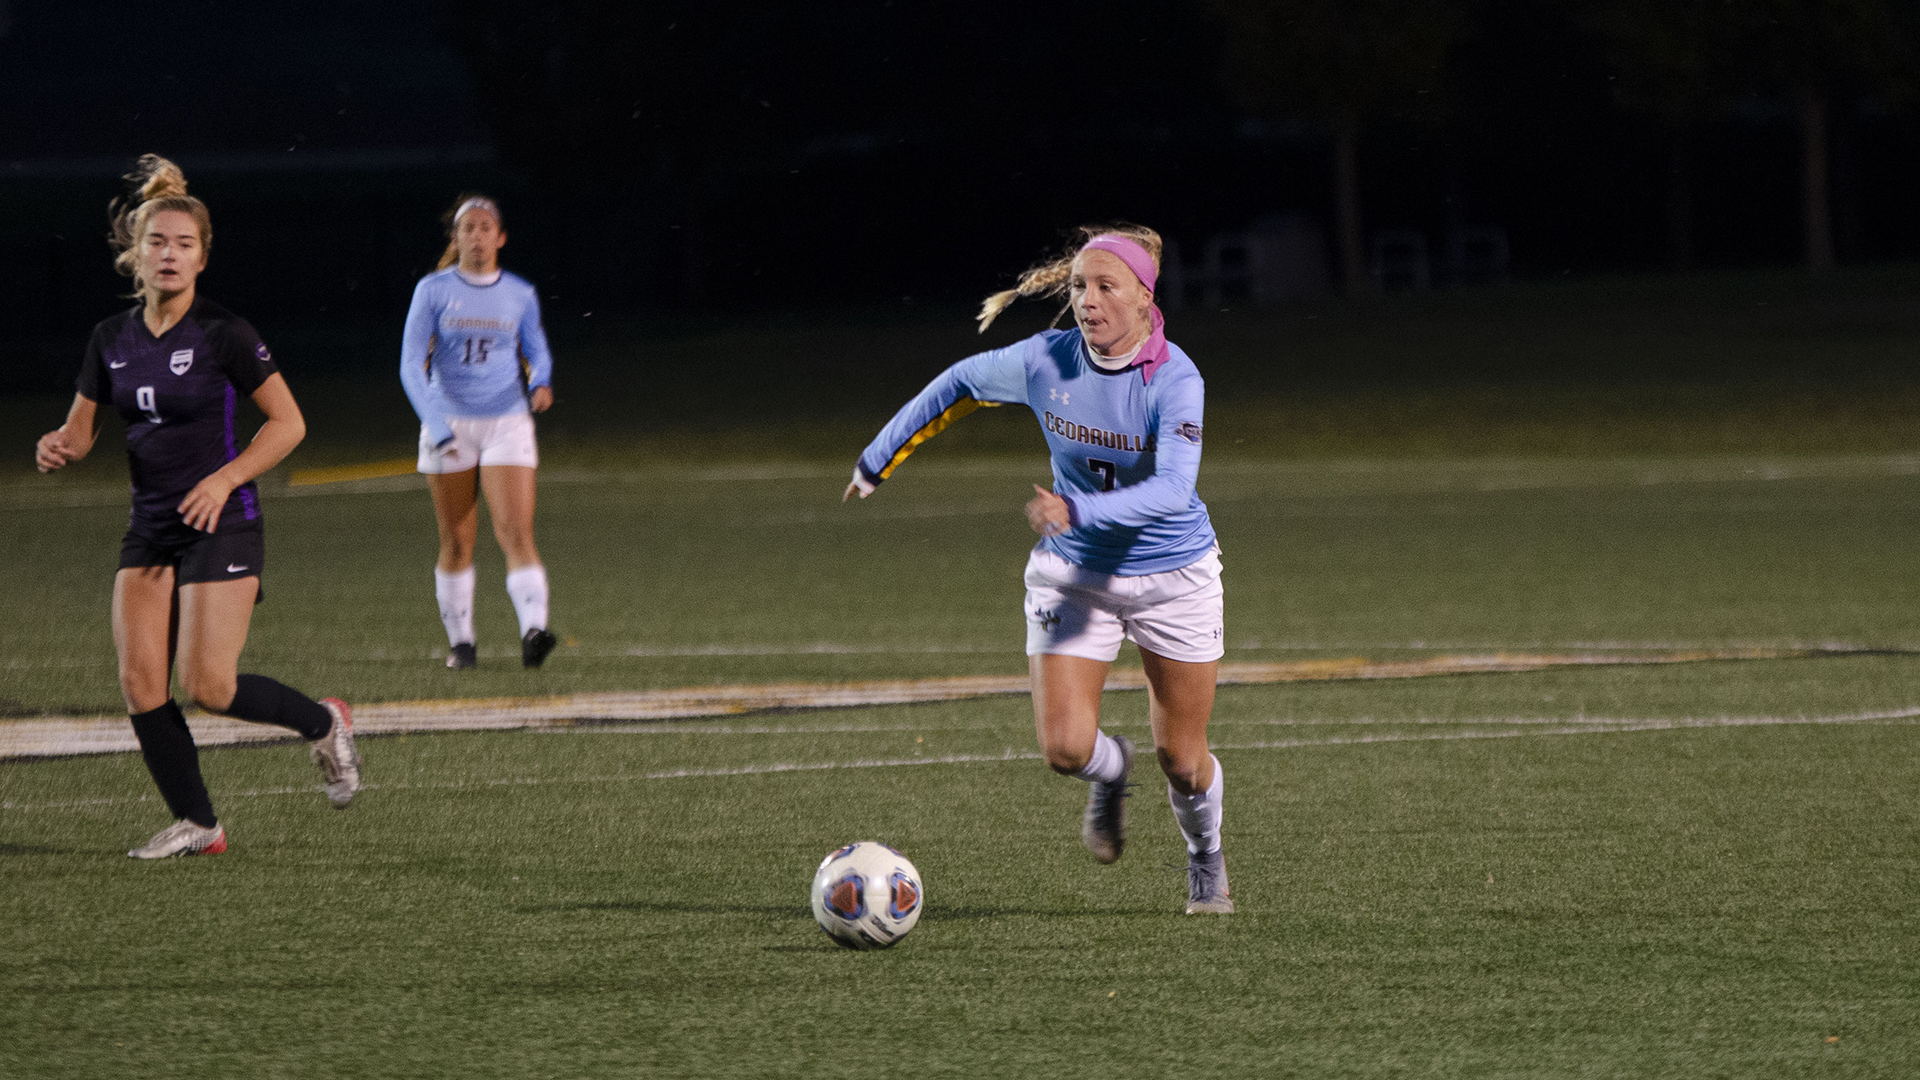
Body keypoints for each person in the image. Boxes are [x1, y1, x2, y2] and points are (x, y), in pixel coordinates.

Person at [845, 225, 1231, 914]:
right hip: (1075, 573)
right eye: (1079, 285)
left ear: (1145, 298)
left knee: (1183, 758)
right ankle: (1111, 774)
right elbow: (960, 382)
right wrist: (875, 460)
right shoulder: (1045, 361)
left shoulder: (1176, 379)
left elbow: (1174, 489)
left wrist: (1077, 509)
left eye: (1105, 286)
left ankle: (1205, 857)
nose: (1087, 300)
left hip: (1173, 575)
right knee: (1063, 748)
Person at [34, 155, 361, 859]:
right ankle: (199, 823)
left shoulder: (224, 334)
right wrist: (58, 445)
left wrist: (223, 478)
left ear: (203, 258)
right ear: (135, 254)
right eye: (158, 243)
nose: (170, 255)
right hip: (150, 524)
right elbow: (82, 433)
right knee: (139, 682)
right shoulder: (109, 340)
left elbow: (288, 424)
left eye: (185, 245)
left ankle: (323, 722)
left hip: (222, 518)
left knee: (209, 685)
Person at [400, 194, 558, 670]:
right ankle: (462, 643)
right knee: (456, 539)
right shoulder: (432, 290)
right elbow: (411, 364)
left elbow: (538, 350)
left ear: (501, 237)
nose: (476, 236)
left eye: (485, 227)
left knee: (515, 529)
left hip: (507, 420)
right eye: (467, 228)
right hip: (449, 421)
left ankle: (533, 631)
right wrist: (434, 422)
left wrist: (541, 382)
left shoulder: (520, 293)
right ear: (456, 238)